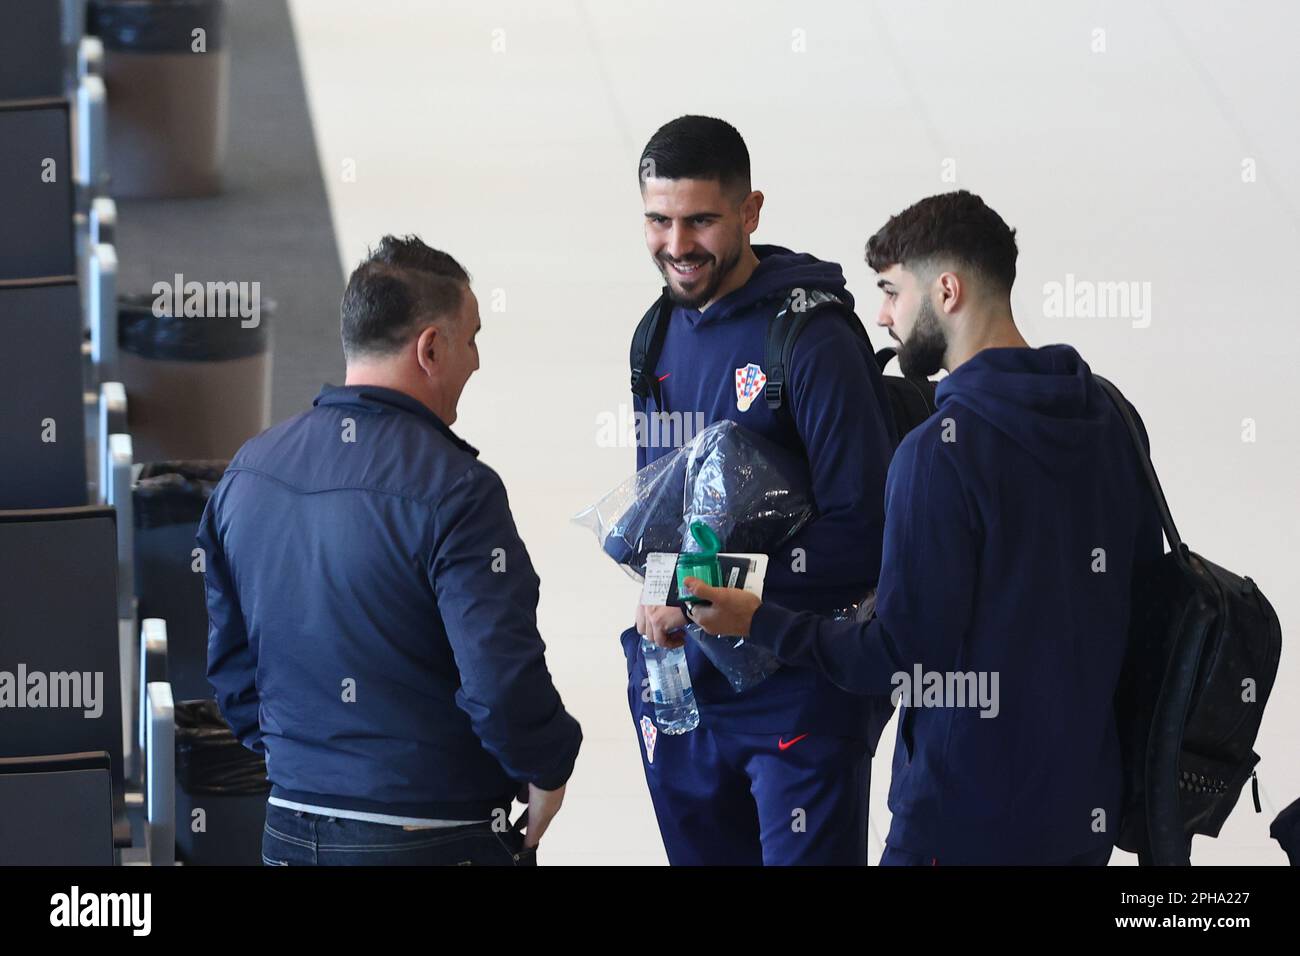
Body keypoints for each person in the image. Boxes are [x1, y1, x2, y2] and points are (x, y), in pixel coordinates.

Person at [676, 190, 1163, 865]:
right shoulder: (1111, 418)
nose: (881, 317)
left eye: (891, 292)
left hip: (959, 817)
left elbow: (894, 655)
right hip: (1082, 812)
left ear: (947, 290)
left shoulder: (939, 453)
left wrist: (757, 619)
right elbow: (1141, 603)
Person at [199, 235, 582, 866]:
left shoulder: (248, 473)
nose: (477, 362)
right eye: (472, 339)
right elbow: (497, 679)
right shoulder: (459, 490)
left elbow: (234, 671)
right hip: (431, 834)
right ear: (431, 348)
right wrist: (546, 767)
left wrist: (308, 767)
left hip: (291, 827)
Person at [625, 115, 897, 865]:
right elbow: (661, 518)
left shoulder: (812, 342)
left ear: (750, 212)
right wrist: (661, 588)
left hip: (798, 694)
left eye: (701, 220)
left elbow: (867, 530)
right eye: (658, 220)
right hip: (686, 691)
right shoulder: (654, 337)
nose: (677, 246)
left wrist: (717, 586)